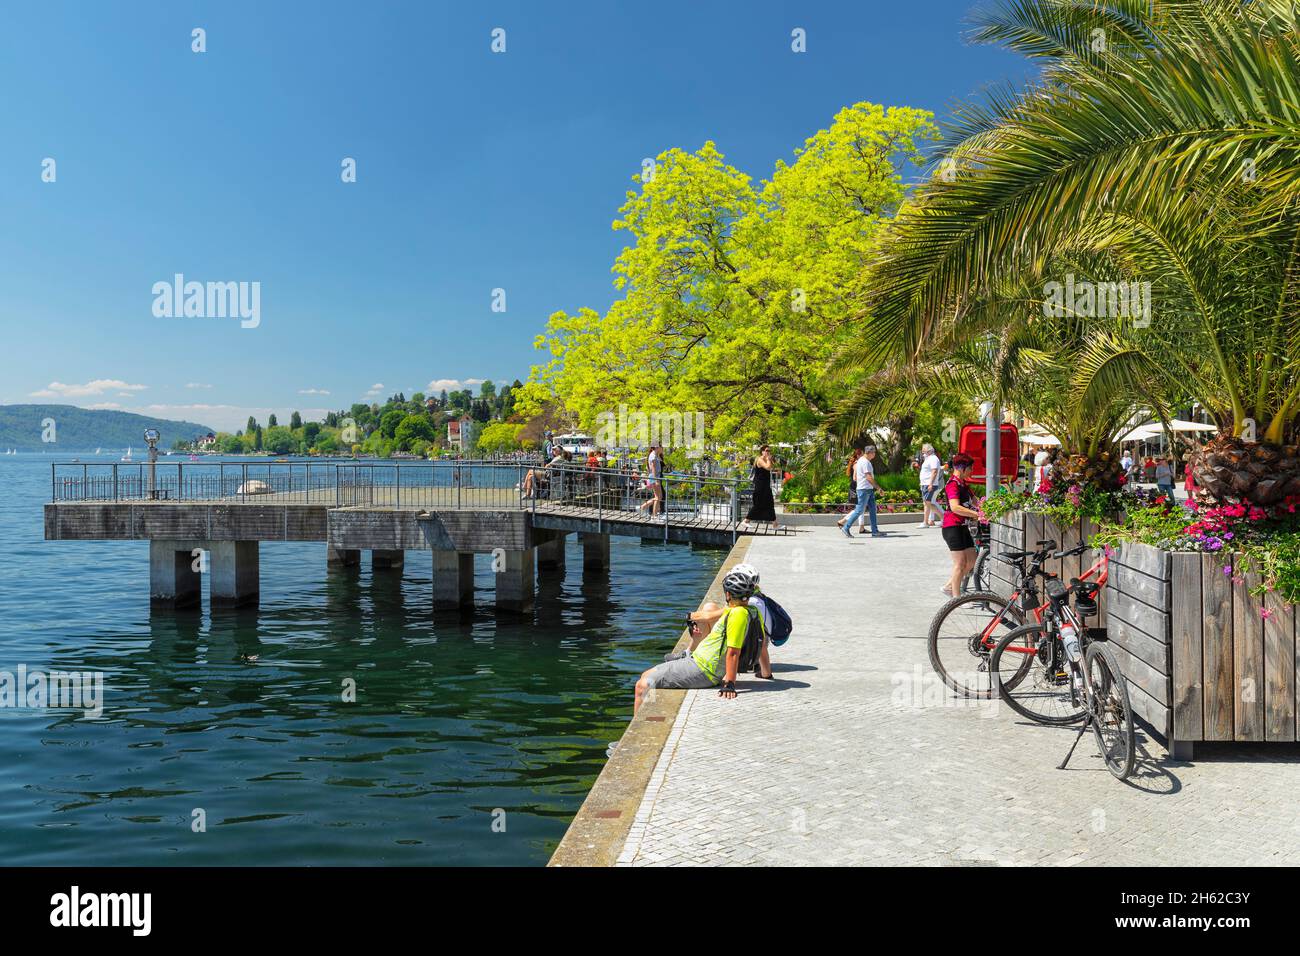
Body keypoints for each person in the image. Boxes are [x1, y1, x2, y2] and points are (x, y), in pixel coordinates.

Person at [634, 568, 760, 711]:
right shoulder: (744, 609)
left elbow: (733, 652)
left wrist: (730, 684)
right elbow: (711, 616)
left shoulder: (737, 615)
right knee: (646, 675)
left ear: (728, 594)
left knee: (643, 685)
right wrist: (690, 617)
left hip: (703, 670)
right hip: (700, 662)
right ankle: (649, 712)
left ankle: (646, 722)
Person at [672, 563, 775, 680]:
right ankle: (690, 652)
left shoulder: (743, 606)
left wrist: (688, 616)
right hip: (754, 652)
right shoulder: (755, 601)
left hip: (747, 655)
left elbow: (709, 616)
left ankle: (690, 654)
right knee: (710, 609)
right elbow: (761, 642)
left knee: (708, 610)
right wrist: (767, 673)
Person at [941, 453, 981, 598]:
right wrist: (976, 515)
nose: (972, 471)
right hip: (952, 527)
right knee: (960, 563)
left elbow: (977, 502)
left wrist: (988, 509)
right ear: (962, 468)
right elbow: (955, 507)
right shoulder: (953, 484)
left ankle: (949, 586)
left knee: (971, 560)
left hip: (962, 526)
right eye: (970, 468)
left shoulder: (964, 484)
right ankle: (956, 598)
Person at [841, 445, 883, 538]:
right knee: (859, 510)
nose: (875, 454)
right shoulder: (865, 462)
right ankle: (846, 527)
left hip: (868, 489)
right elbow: (868, 477)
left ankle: (875, 531)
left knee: (872, 509)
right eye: (874, 452)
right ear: (870, 453)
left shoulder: (863, 461)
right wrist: (878, 488)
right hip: (864, 489)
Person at [746, 445, 779, 529]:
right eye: (767, 450)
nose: (768, 452)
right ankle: (746, 521)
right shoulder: (760, 460)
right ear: (762, 451)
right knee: (758, 504)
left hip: (766, 485)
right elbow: (768, 467)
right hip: (760, 486)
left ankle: (775, 524)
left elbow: (772, 467)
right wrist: (768, 459)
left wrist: (770, 460)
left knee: (770, 503)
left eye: (769, 451)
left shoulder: (766, 459)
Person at [836, 449, 862, 532]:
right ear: (858, 455)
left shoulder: (854, 463)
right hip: (857, 486)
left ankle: (861, 527)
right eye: (862, 454)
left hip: (854, 486)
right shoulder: (857, 463)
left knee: (861, 507)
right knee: (860, 507)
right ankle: (842, 521)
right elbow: (855, 477)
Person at [918, 443, 943, 528]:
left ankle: (925, 522)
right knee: (927, 503)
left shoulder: (933, 459)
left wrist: (930, 484)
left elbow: (934, 471)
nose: (922, 453)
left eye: (923, 451)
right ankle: (943, 518)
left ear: (929, 451)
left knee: (927, 503)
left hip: (929, 484)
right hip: (925, 483)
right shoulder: (928, 459)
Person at [638, 443, 664, 517]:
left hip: (655, 477)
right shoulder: (653, 456)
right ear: (657, 447)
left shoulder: (655, 455)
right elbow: (653, 468)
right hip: (655, 477)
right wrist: (656, 480)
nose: (662, 448)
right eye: (661, 447)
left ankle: (643, 507)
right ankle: (654, 516)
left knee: (659, 496)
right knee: (658, 497)